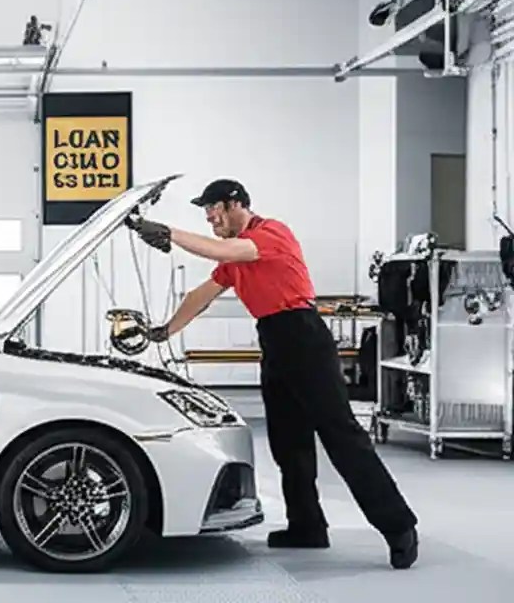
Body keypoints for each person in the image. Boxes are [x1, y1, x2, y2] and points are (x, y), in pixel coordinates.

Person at [127, 178, 419, 570]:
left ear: (235, 204)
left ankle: (399, 526)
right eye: (205, 211)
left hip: (304, 337)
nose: (210, 217)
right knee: (288, 441)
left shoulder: (270, 234)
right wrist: (164, 331)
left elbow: (222, 248)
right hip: (275, 342)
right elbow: (200, 295)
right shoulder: (234, 261)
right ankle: (307, 526)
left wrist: (169, 233)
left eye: (213, 208)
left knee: (341, 435)